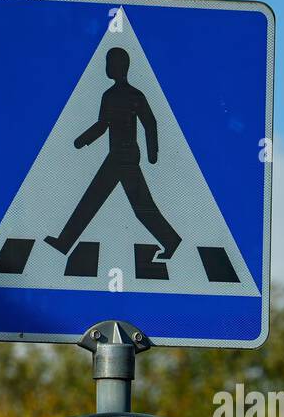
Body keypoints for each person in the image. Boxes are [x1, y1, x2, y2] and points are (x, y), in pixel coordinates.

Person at [44, 48, 182, 260]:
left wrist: (152, 154)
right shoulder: (109, 95)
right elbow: (103, 125)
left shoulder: (133, 95)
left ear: (119, 67)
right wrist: (83, 140)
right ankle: (64, 242)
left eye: (110, 63)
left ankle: (171, 240)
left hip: (124, 158)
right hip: (118, 156)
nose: (107, 68)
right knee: (104, 201)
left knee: (130, 205)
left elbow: (149, 123)